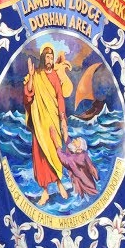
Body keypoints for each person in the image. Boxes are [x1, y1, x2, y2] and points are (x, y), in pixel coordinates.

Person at [23, 44, 73, 205]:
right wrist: (30, 76)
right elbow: (28, 94)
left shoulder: (55, 78)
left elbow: (59, 98)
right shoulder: (37, 75)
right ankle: (44, 192)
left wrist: (63, 118)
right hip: (39, 122)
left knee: (56, 150)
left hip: (52, 120)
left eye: (52, 57)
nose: (50, 60)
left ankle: (59, 184)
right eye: (47, 57)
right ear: (43, 58)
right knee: (41, 155)